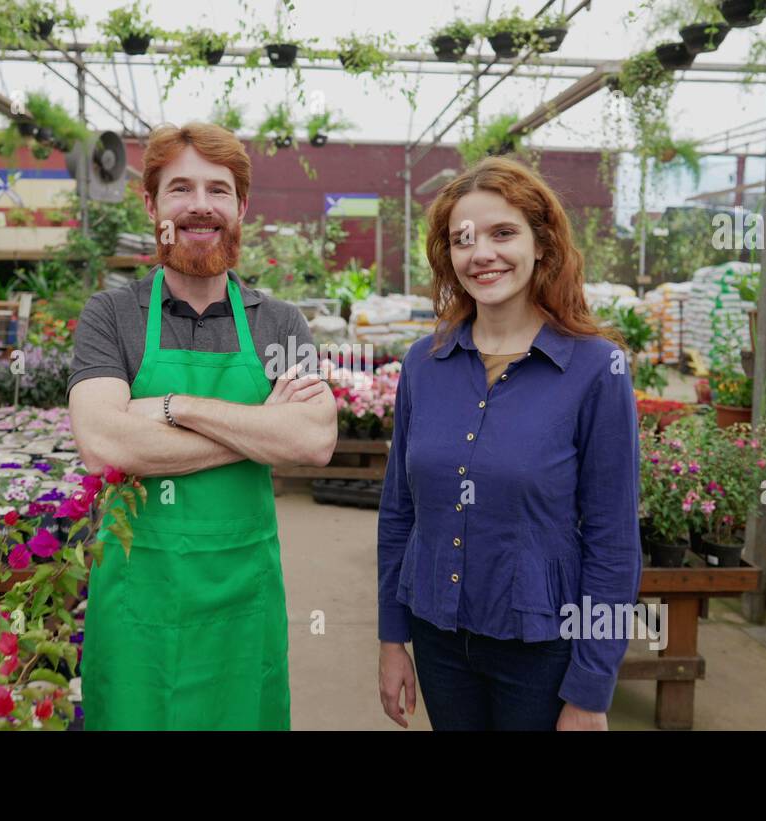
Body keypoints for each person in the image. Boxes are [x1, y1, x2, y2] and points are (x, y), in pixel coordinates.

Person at [68, 122, 338, 730]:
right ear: (152, 205)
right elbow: (103, 444)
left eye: (218, 190)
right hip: (139, 602)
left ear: (241, 207)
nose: (199, 206)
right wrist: (257, 429)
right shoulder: (111, 315)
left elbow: (313, 440)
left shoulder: (279, 324)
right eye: (180, 189)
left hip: (244, 604)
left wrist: (173, 407)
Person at [376, 156, 641, 731]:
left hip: (541, 648)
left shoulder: (597, 370)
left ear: (542, 244)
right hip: (438, 639)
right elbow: (400, 512)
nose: (482, 253)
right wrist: (393, 638)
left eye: (504, 233)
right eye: (463, 239)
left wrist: (592, 689)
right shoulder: (424, 364)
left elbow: (613, 542)